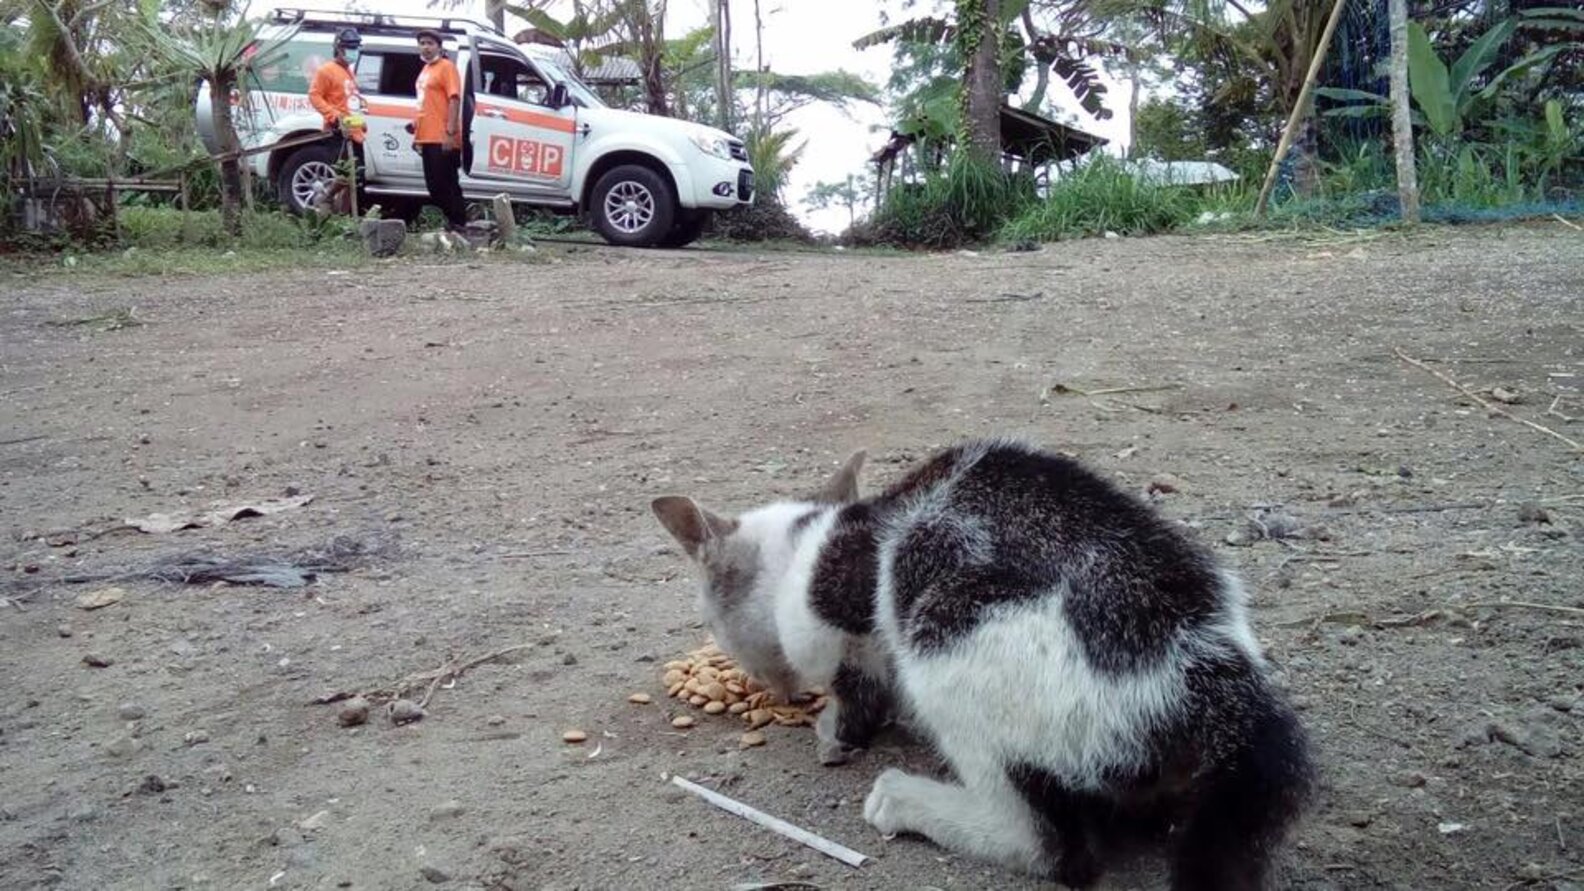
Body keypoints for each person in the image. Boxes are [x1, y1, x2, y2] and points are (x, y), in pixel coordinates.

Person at [414, 28, 468, 233]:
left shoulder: (446, 67)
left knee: (446, 182)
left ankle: (458, 223)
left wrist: (450, 131)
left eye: (430, 43)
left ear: (439, 46)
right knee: (433, 186)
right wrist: (417, 132)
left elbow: (454, 99)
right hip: (426, 136)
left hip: (443, 136)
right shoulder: (425, 70)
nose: (425, 47)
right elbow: (423, 103)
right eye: (422, 43)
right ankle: (452, 221)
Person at [307, 28, 367, 205]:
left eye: (356, 47)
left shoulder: (349, 71)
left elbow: (350, 100)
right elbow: (314, 95)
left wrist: (361, 118)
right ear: (339, 49)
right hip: (338, 129)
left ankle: (344, 216)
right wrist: (334, 116)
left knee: (356, 177)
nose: (353, 51)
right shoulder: (326, 71)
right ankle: (325, 199)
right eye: (350, 47)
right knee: (347, 173)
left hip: (354, 129)